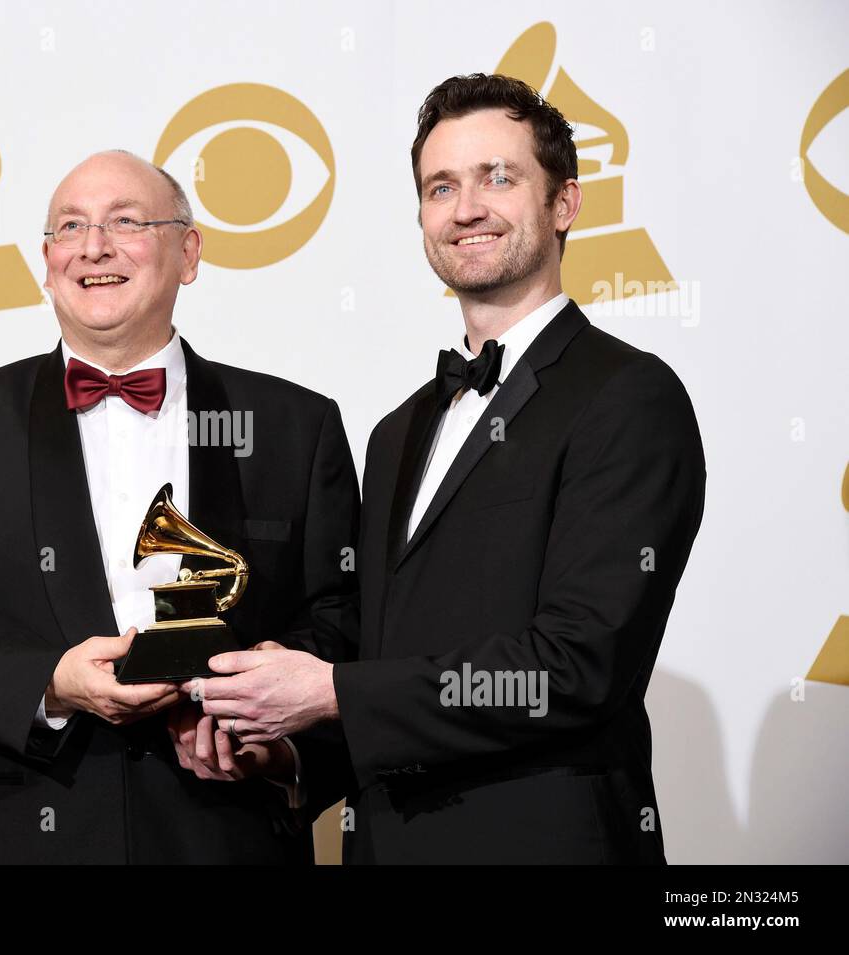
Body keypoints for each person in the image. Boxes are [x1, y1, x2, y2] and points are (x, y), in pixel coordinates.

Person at [183, 74, 706, 864]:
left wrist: (327, 692)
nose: (466, 208)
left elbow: (574, 667)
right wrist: (291, 752)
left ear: (564, 203)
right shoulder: (399, 430)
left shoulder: (629, 396)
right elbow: (384, 658)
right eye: (441, 186)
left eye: (499, 177)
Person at [0, 149, 358, 864]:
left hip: (228, 833)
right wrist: (52, 682)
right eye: (69, 227)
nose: (93, 247)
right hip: (30, 832)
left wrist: (272, 739)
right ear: (46, 261)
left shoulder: (294, 424)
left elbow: (344, 618)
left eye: (125, 222)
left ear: (188, 253)